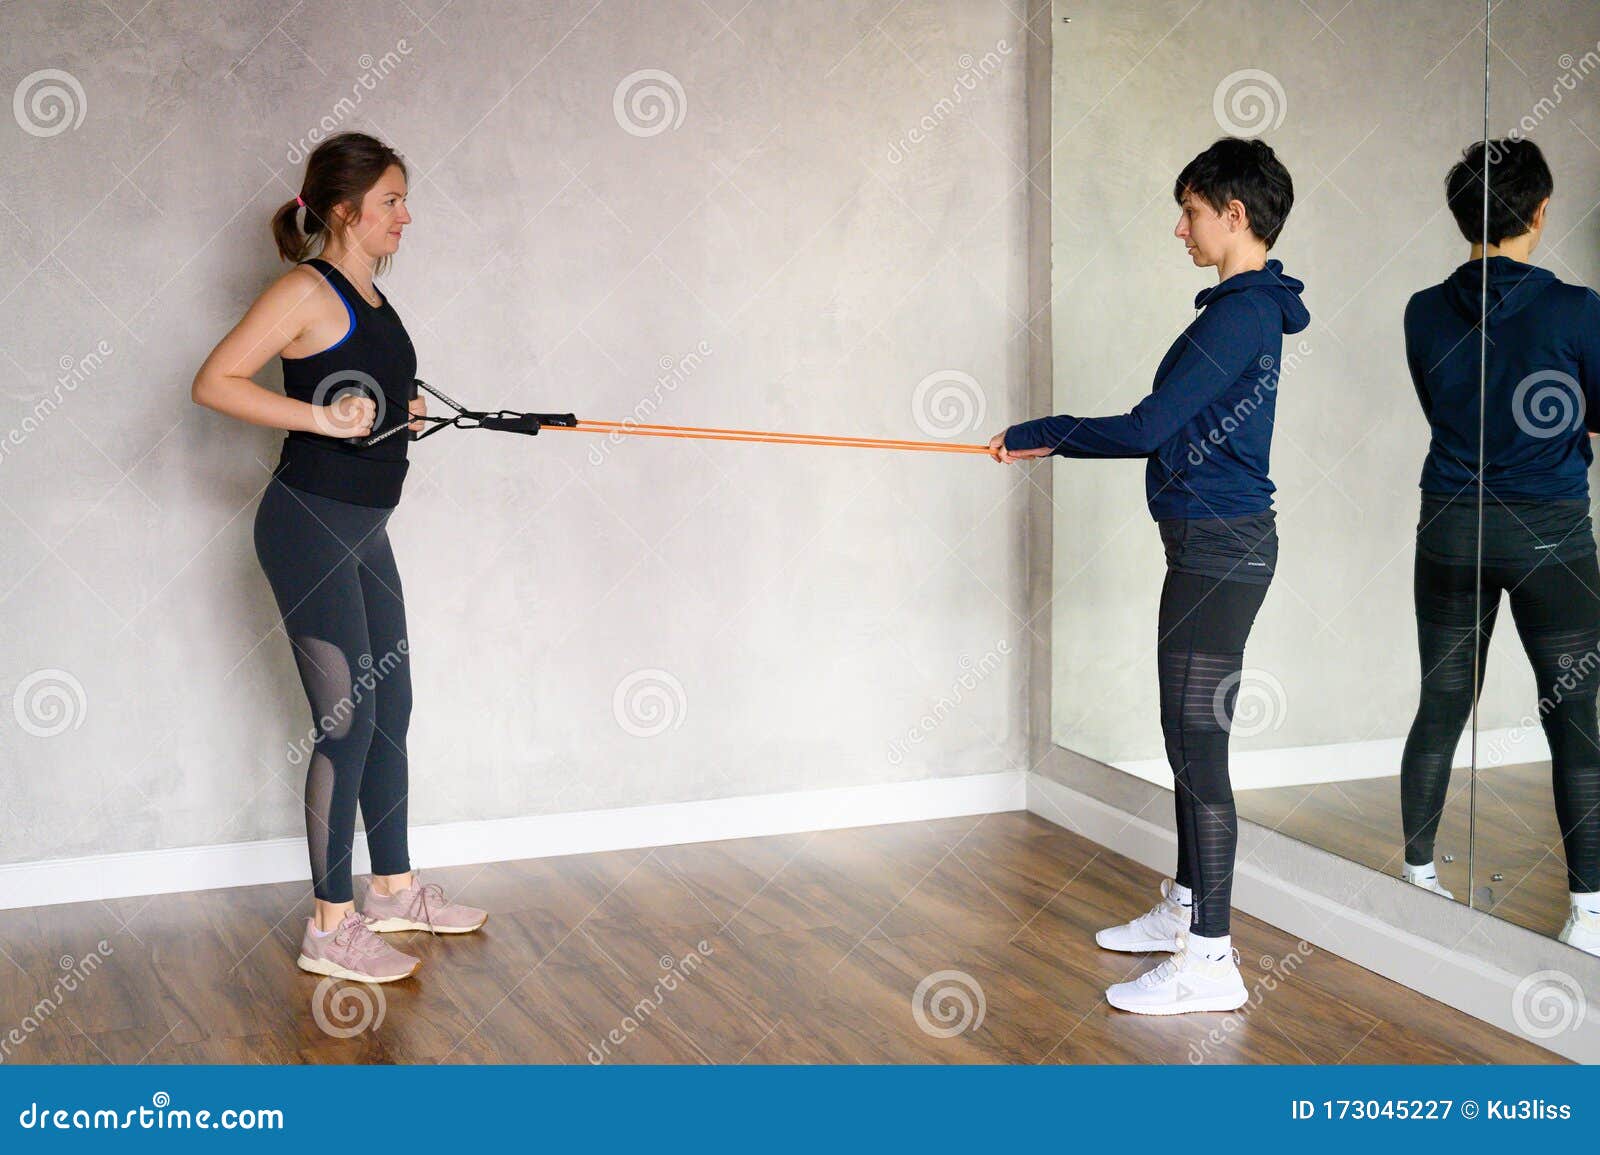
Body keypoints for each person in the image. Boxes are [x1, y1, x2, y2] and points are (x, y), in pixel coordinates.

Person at [991, 137, 1309, 1014]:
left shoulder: (1242, 314)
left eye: (1192, 211)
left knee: (1199, 748)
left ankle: (1211, 958)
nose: (1181, 229)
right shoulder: (1241, 308)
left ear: (1233, 214)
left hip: (1222, 552)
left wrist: (1039, 431)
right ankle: (1186, 909)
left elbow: (1146, 426)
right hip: (1206, 548)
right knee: (1183, 738)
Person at [192, 131, 486, 984]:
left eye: (403, 199)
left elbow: (364, 385)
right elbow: (216, 381)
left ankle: (392, 888)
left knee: (390, 703)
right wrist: (320, 421)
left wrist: (407, 408)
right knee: (346, 719)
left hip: (363, 526)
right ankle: (330, 925)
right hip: (308, 524)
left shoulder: (373, 299)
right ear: (345, 209)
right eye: (391, 200)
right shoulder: (304, 289)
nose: (405, 215)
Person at [1399, 137, 1600, 956]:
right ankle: (1588, 912)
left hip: (1450, 524)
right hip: (1549, 533)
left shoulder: (1419, 309)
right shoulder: (1579, 309)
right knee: (1578, 722)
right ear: (1541, 211)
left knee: (1441, 706)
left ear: (1462, 216)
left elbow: (1446, 407)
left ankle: (1415, 881)